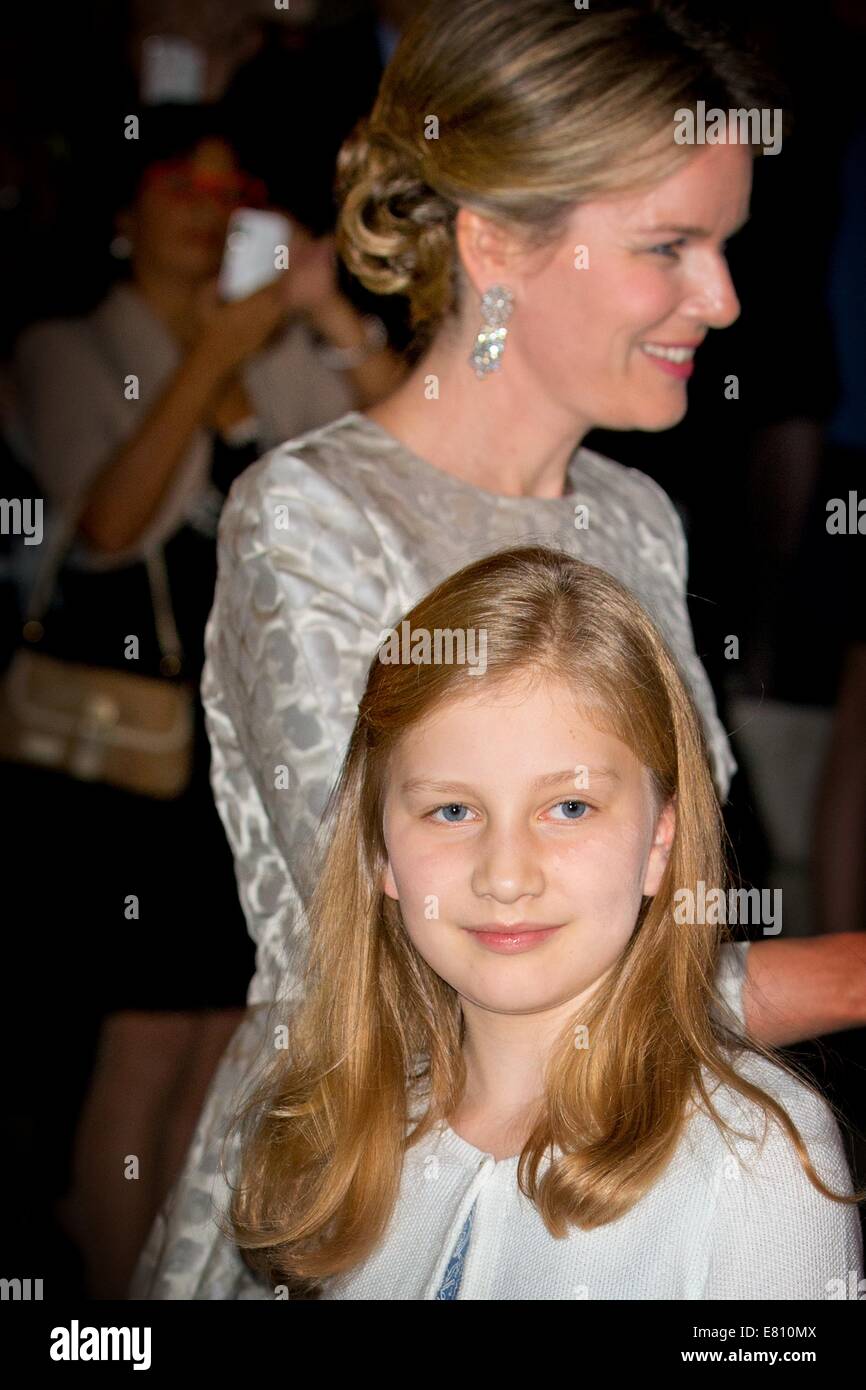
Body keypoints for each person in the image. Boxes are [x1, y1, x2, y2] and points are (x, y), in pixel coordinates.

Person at [131, 0, 866, 1299]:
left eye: (724, 244)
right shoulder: (313, 520)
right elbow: (433, 976)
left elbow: (663, 913)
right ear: (492, 243)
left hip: (620, 1176)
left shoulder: (635, 517)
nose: (723, 297)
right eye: (669, 246)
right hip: (365, 1196)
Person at [226, 546, 864, 1299]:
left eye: (569, 808)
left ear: (660, 842)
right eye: (452, 810)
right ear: (380, 853)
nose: (505, 875)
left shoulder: (760, 1157)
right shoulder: (336, 1139)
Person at [10, 102, 402, 1297]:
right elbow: (111, 523)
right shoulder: (64, 349)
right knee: (133, 1044)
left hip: (245, 755)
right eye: (181, 186)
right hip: (124, 767)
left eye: (231, 195)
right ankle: (99, 1304)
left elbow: (409, 463)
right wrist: (211, 356)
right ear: (126, 217)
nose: (207, 211)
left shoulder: (278, 356)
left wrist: (327, 315)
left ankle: (165, 1285)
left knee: (222, 1043)